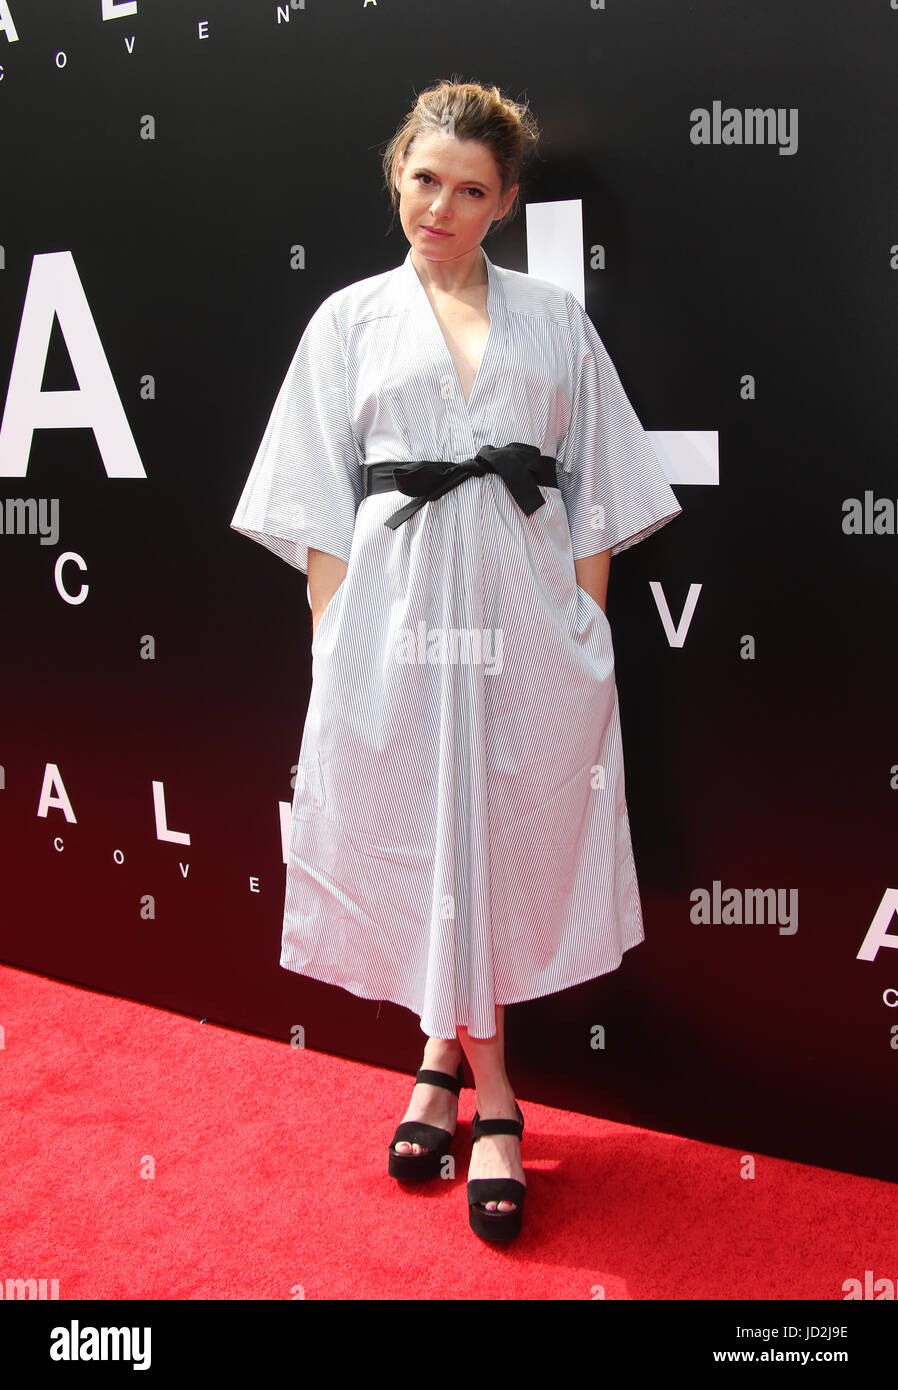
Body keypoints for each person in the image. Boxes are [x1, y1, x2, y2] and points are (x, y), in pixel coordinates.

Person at [230, 78, 682, 1243]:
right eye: (423, 178)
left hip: (528, 640)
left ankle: (440, 1064)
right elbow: (310, 504)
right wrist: (337, 641)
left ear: (505, 201)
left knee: (490, 844)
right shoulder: (345, 322)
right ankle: (494, 1098)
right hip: (392, 629)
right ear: (397, 175)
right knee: (425, 838)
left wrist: (581, 629)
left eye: (469, 189)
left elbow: (601, 489)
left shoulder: (551, 318)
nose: (439, 204)